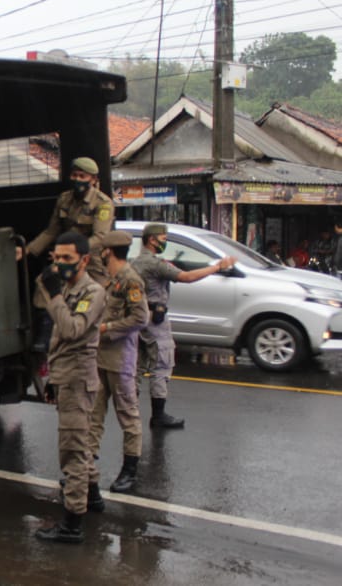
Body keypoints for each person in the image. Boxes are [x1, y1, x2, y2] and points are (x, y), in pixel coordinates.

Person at [33, 231, 106, 544]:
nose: (60, 263)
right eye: (57, 257)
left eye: (67, 258)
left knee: (72, 452)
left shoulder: (92, 292)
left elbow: (71, 329)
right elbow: (58, 342)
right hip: (67, 376)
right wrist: (53, 378)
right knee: (81, 444)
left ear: (84, 260)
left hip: (77, 380)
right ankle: (94, 496)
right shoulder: (66, 288)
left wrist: (54, 296)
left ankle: (72, 524)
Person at [130, 223, 236, 430]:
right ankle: (158, 416)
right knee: (162, 364)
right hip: (155, 320)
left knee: (137, 366)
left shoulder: (135, 262)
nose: (165, 242)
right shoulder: (154, 264)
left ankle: (130, 412)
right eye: (163, 238)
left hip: (138, 318)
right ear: (152, 239)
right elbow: (187, 277)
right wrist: (217, 267)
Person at [87, 231, 148, 494]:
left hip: (120, 359)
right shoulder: (111, 279)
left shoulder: (130, 280)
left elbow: (140, 318)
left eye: (102, 251)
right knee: (93, 414)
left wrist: (108, 328)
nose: (100, 254)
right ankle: (86, 467)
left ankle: (129, 470)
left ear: (108, 252)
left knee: (128, 416)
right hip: (100, 357)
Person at [21, 157, 114, 284]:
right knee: (44, 284)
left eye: (82, 176)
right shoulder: (64, 199)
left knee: (98, 290)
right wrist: (27, 250)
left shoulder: (102, 203)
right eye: (74, 175)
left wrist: (74, 250)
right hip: (65, 257)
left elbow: (100, 236)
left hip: (90, 257)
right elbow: (51, 231)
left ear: (93, 180)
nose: (77, 179)